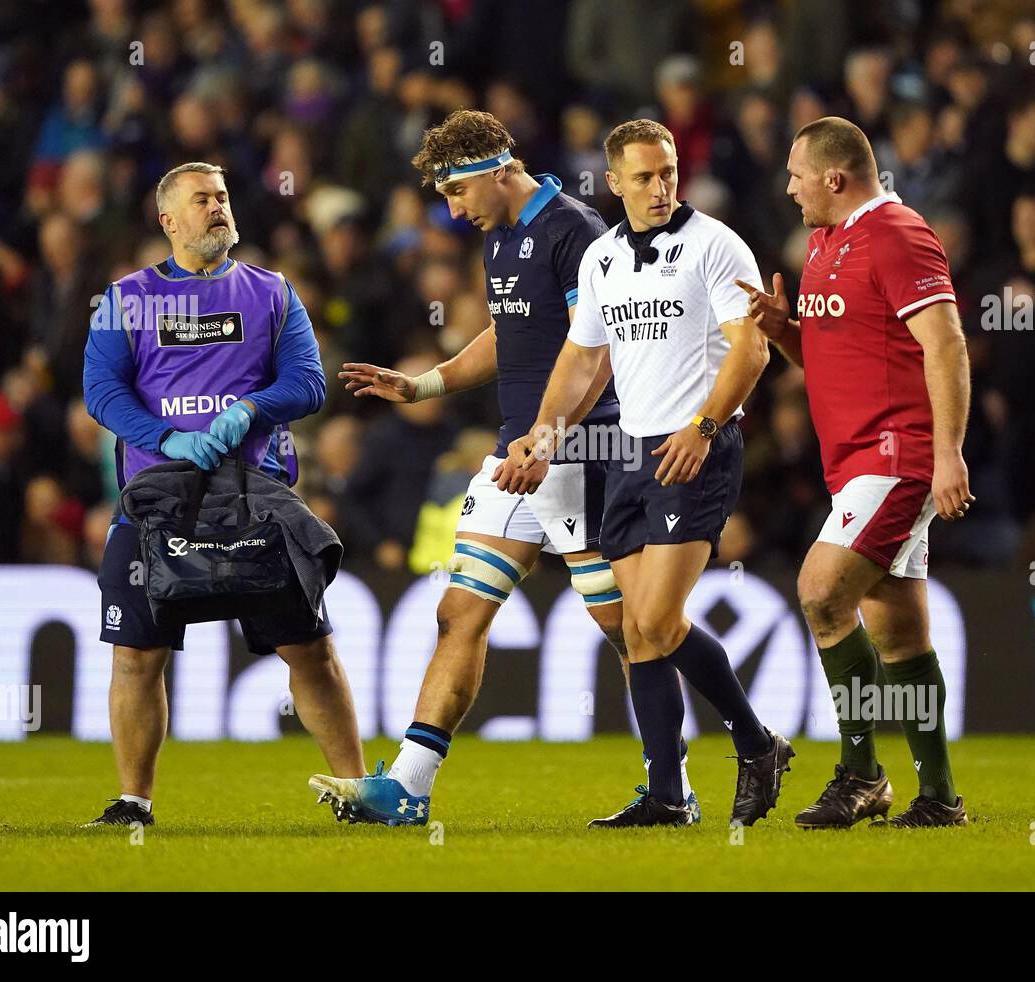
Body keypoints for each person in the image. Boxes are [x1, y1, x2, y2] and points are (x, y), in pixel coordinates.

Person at [308, 111, 704, 826]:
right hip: (517, 455)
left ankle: (678, 784)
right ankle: (408, 787)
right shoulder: (502, 238)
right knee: (459, 611)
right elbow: (510, 332)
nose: (453, 211)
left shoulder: (575, 231)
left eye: (456, 194)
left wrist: (551, 437)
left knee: (631, 627)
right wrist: (425, 384)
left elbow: (603, 348)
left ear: (494, 173)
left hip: (582, 450)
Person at [507, 119, 793, 828]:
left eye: (667, 172)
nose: (661, 186)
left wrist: (704, 427)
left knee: (658, 621)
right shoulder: (601, 259)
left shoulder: (715, 245)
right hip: (632, 450)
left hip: (696, 444)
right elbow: (581, 359)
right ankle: (670, 792)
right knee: (639, 633)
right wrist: (542, 436)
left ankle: (755, 743)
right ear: (615, 183)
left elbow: (751, 352)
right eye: (644, 176)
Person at [81, 162, 365, 827]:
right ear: (168, 221)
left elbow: (309, 383)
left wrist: (248, 411)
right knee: (135, 654)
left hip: (254, 497)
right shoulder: (125, 298)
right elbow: (103, 391)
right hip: (158, 499)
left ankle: (358, 794)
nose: (216, 207)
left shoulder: (271, 292)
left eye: (223, 197)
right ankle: (133, 802)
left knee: (310, 650)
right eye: (201, 199)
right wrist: (167, 438)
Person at [745, 116, 971, 828]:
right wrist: (785, 333)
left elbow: (947, 345)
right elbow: (838, 363)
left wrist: (948, 453)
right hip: (852, 464)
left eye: (796, 174)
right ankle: (938, 797)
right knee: (899, 633)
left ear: (834, 178)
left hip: (897, 455)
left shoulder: (898, 235)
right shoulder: (823, 245)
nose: (789, 187)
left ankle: (861, 773)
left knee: (819, 590)